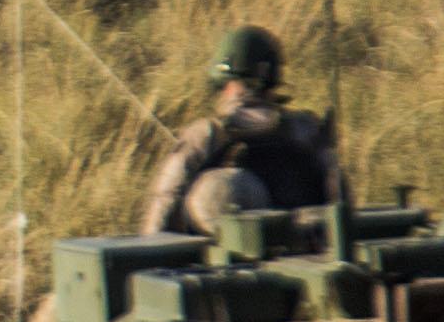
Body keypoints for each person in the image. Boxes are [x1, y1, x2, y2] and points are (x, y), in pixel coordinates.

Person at [138, 24, 348, 237]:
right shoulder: (305, 129)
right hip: (307, 255)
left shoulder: (204, 134)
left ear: (226, 80)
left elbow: (165, 201)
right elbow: (339, 200)